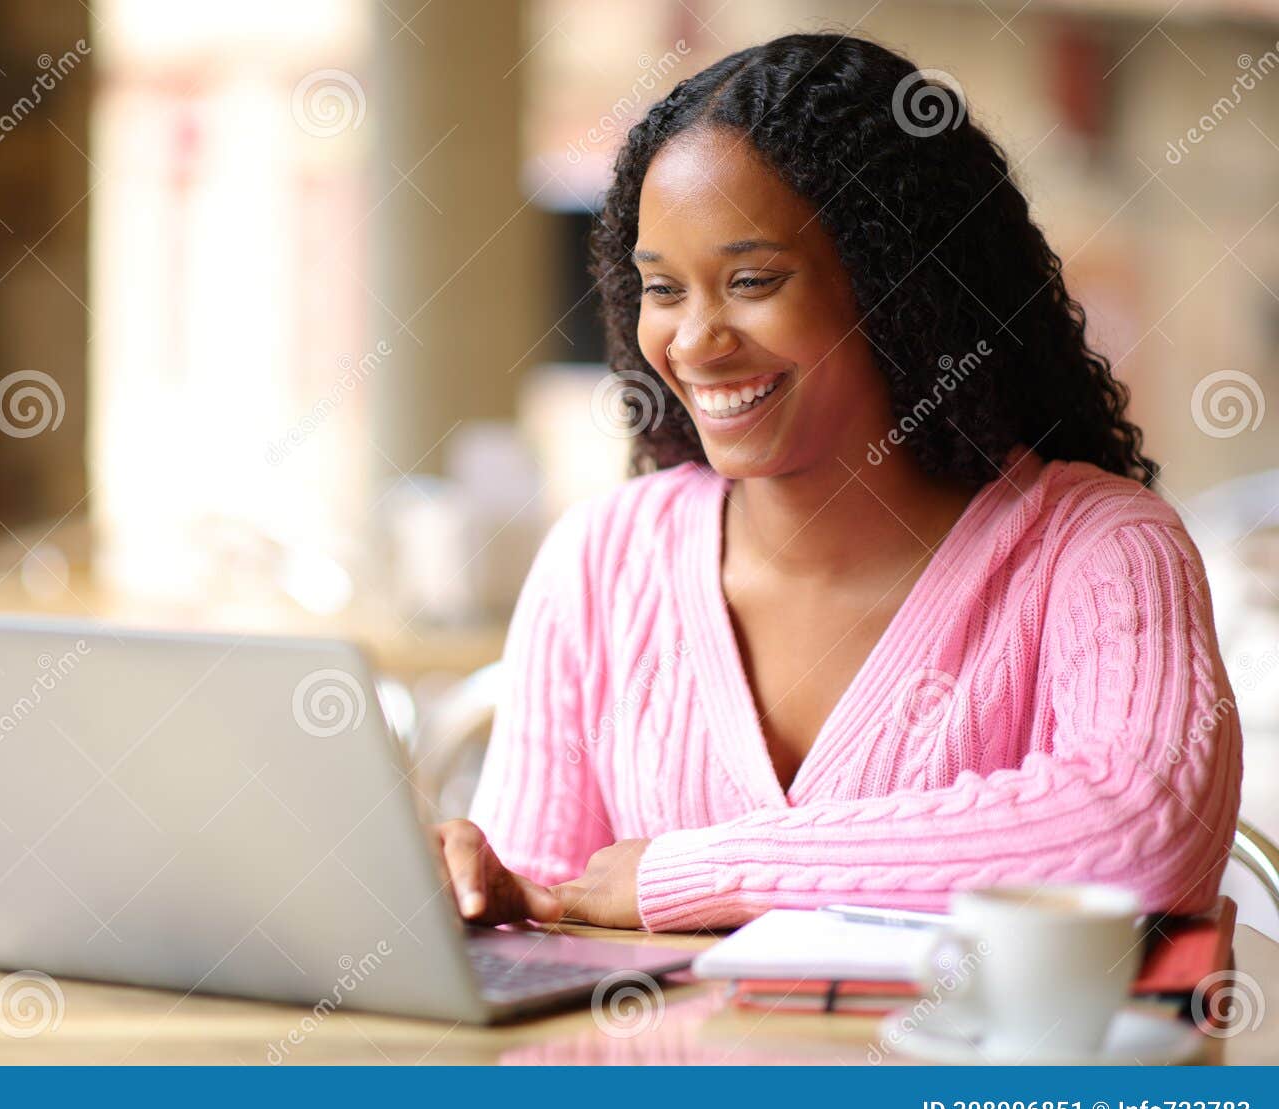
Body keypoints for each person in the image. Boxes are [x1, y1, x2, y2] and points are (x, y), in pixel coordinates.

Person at [437, 32, 1243, 932]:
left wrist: (699, 871)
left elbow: (1142, 834)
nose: (696, 342)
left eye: (751, 280)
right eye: (663, 289)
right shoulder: (603, 559)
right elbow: (538, 919)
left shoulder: (1100, 551)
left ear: (896, 284)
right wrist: (477, 895)